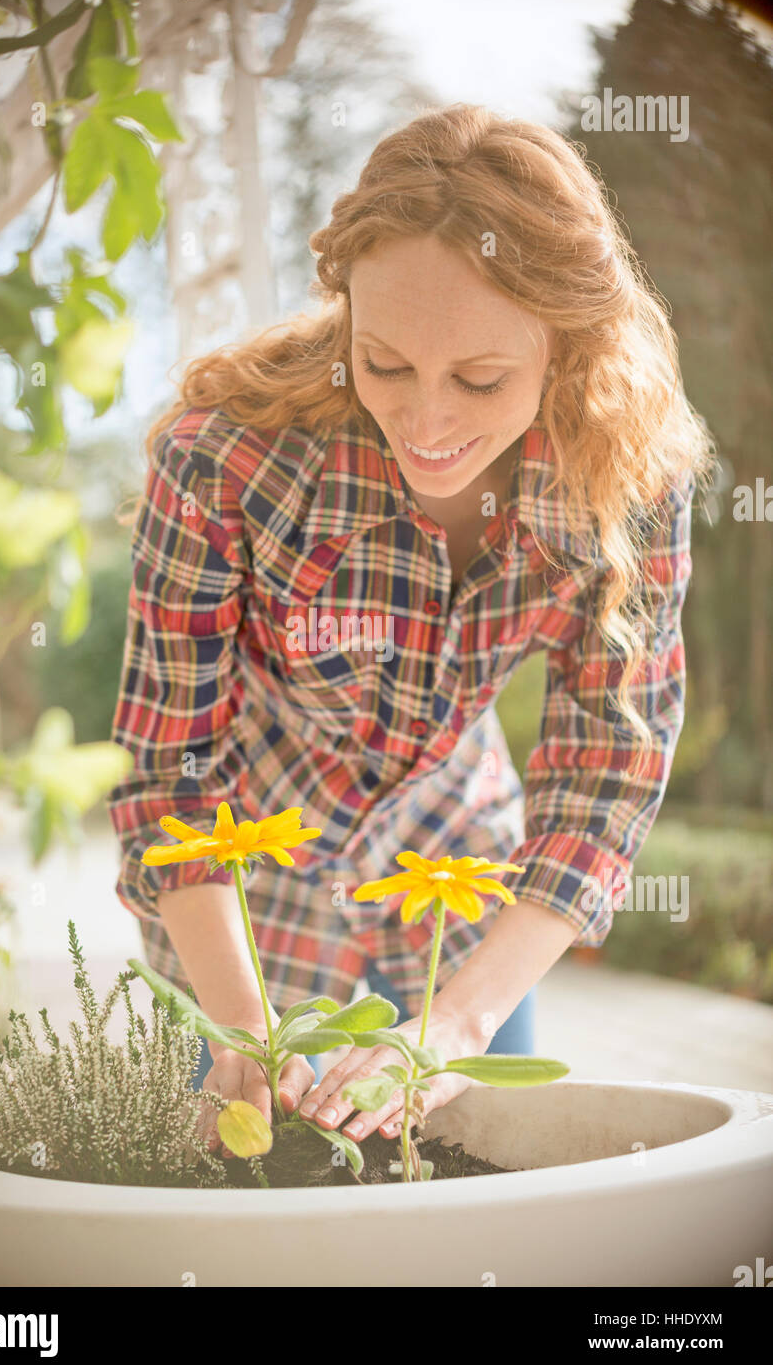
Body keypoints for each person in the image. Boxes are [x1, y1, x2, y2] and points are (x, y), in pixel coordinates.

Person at [107, 103, 715, 1154]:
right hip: (245, 920)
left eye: (479, 380)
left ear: (566, 348)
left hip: (458, 900)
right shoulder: (225, 459)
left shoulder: (629, 481)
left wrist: (461, 1016)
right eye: (383, 363)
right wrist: (243, 1030)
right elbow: (169, 771)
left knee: (474, 1209)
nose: (426, 425)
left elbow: (607, 769)